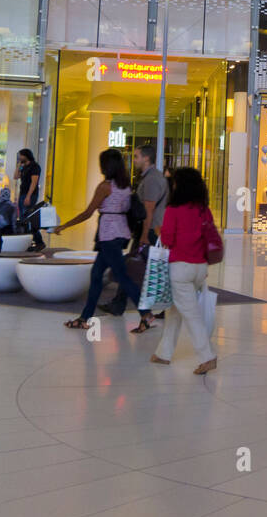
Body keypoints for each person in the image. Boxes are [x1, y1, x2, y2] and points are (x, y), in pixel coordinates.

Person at [139, 167, 218, 374]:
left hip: (180, 269)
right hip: (200, 268)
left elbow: (167, 240)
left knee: (191, 315)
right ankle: (164, 353)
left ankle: (207, 356)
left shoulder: (174, 210)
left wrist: (159, 230)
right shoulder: (203, 209)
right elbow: (207, 238)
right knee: (174, 311)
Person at [55, 148, 143, 329]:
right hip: (120, 233)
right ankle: (84, 318)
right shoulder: (125, 185)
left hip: (108, 235)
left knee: (122, 276)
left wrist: (64, 225)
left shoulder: (105, 186)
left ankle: (146, 313)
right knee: (96, 275)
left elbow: (88, 213)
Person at [132, 143, 169, 253]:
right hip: (151, 230)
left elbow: (149, 209)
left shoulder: (152, 179)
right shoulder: (150, 176)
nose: (134, 160)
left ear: (146, 158)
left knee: (139, 265)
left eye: (136, 157)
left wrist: (144, 235)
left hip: (150, 231)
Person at [16, 149, 45, 251]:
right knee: (23, 219)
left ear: (26, 155)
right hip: (22, 194)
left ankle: (38, 241)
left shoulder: (34, 167)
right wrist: (18, 166)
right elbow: (16, 176)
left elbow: (34, 183)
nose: (19, 158)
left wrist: (28, 196)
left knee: (27, 219)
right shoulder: (24, 167)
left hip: (29, 195)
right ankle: (31, 242)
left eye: (21, 156)